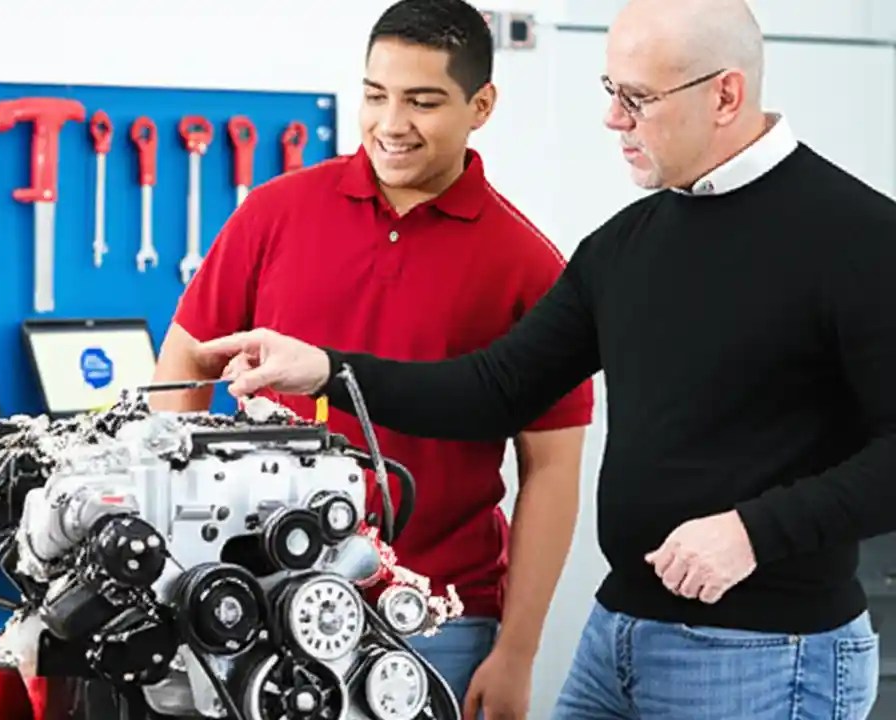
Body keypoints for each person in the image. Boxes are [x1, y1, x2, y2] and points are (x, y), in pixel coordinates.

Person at [190, 0, 896, 717]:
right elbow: (495, 389)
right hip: (617, 634)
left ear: (725, 94)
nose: (613, 119)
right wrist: (328, 370)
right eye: (609, 91)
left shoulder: (860, 239)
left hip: (768, 653)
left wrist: (753, 532)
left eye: (638, 99)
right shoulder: (624, 246)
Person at [150, 0, 594, 715]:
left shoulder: (530, 266)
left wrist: (517, 652)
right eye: (376, 95)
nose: (391, 123)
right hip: (256, 603)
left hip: (437, 622)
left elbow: (552, 470)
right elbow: (185, 365)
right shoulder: (275, 211)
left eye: (423, 102)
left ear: (481, 105)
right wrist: (179, 563)